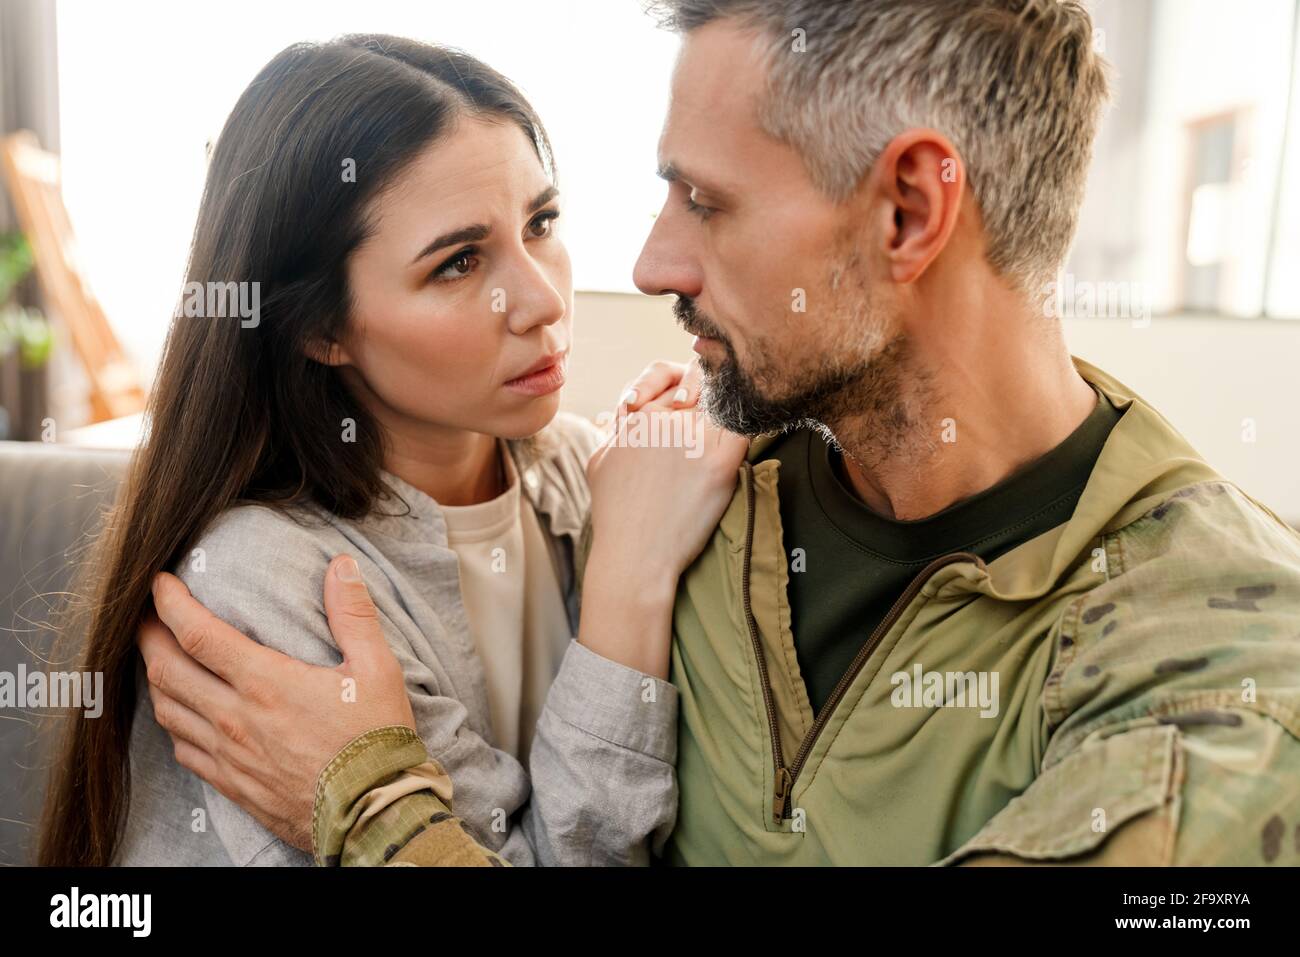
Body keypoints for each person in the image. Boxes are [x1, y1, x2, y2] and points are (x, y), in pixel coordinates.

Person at [139, 1, 1300, 866]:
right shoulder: (680, 491)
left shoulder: (1219, 667)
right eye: (457, 260)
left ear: (908, 211)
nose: (647, 267)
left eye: (707, 201)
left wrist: (375, 807)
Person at [38, 34, 746, 867]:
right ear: (321, 329)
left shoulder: (579, 466)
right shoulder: (262, 580)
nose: (542, 298)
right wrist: (628, 576)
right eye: (458, 262)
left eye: (541, 223)